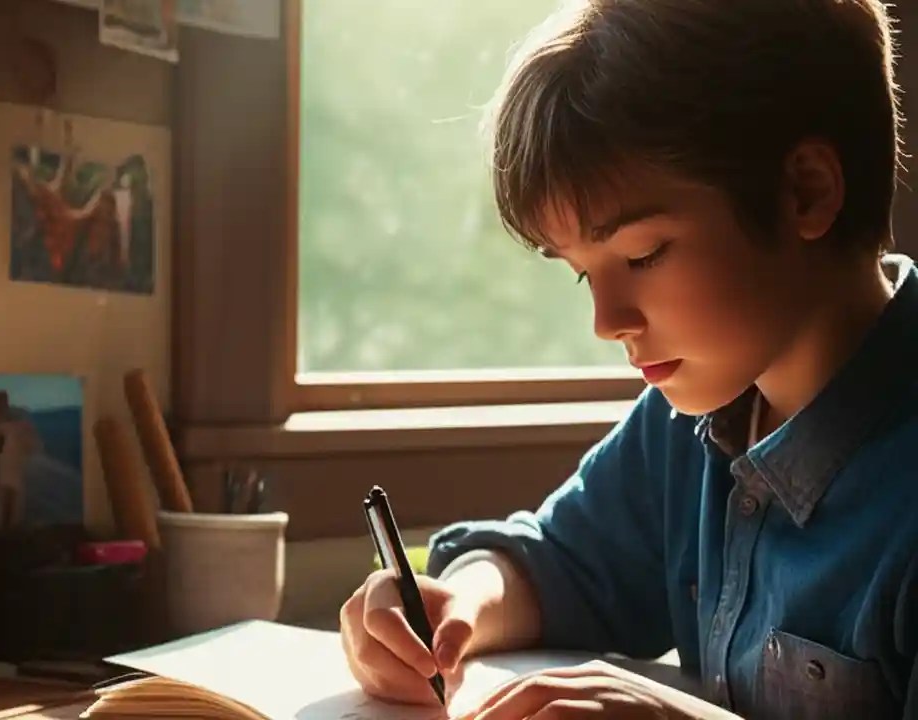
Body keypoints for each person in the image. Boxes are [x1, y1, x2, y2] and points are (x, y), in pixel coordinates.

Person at [338, 1, 918, 718]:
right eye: (585, 273)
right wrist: (459, 602)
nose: (606, 323)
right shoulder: (695, 419)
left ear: (806, 191)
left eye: (643, 256)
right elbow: (563, 563)